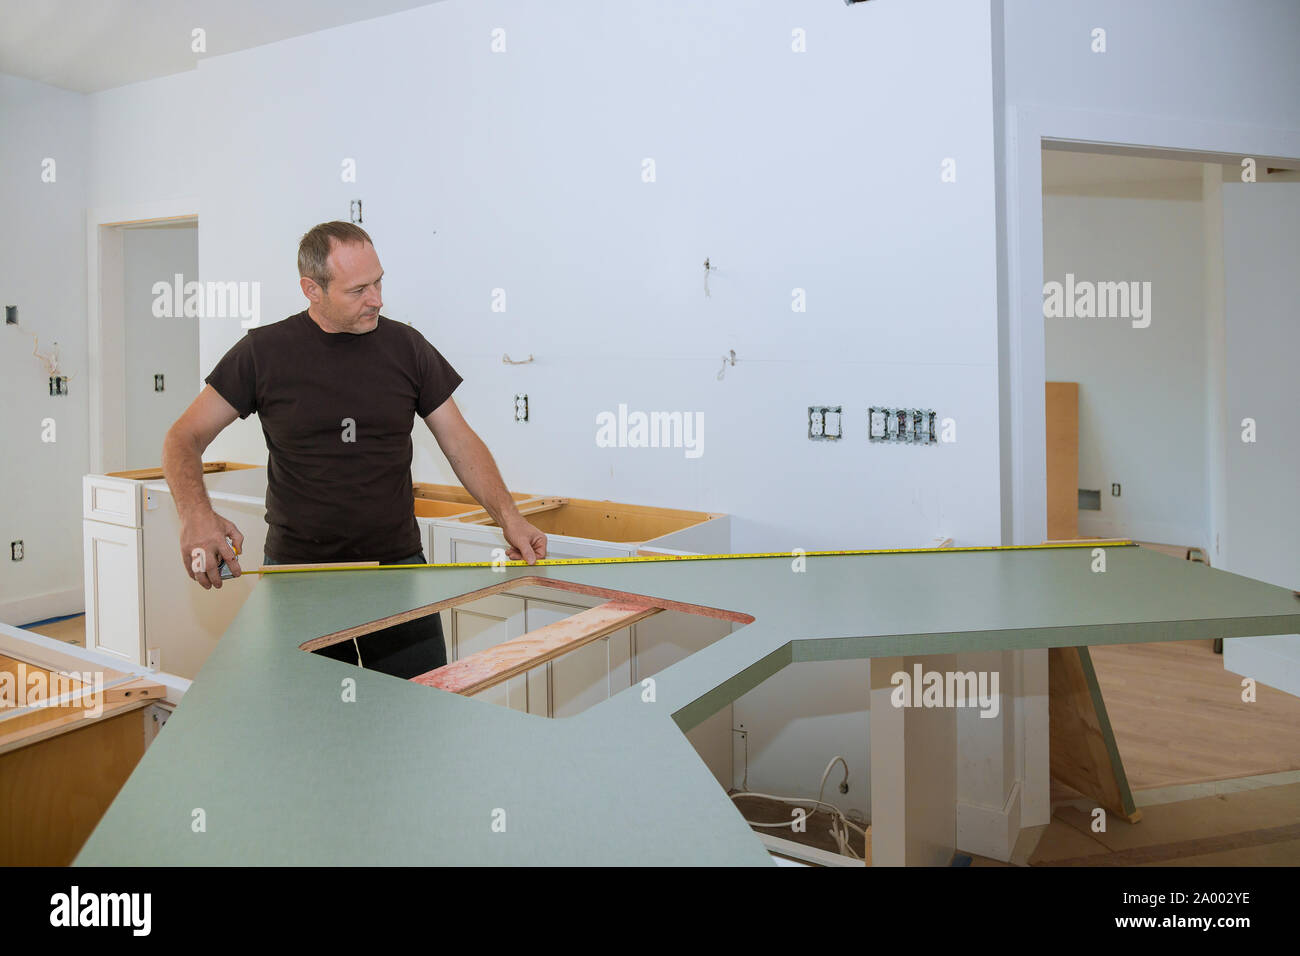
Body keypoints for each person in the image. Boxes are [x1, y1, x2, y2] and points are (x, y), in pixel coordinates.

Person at [161, 221, 546, 677]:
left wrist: (510, 516)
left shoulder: (408, 347)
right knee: (313, 724)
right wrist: (195, 515)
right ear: (312, 289)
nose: (377, 299)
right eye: (359, 289)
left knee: (416, 714)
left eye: (379, 281)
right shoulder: (263, 353)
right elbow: (182, 438)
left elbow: (459, 440)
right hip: (299, 577)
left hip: (396, 570)